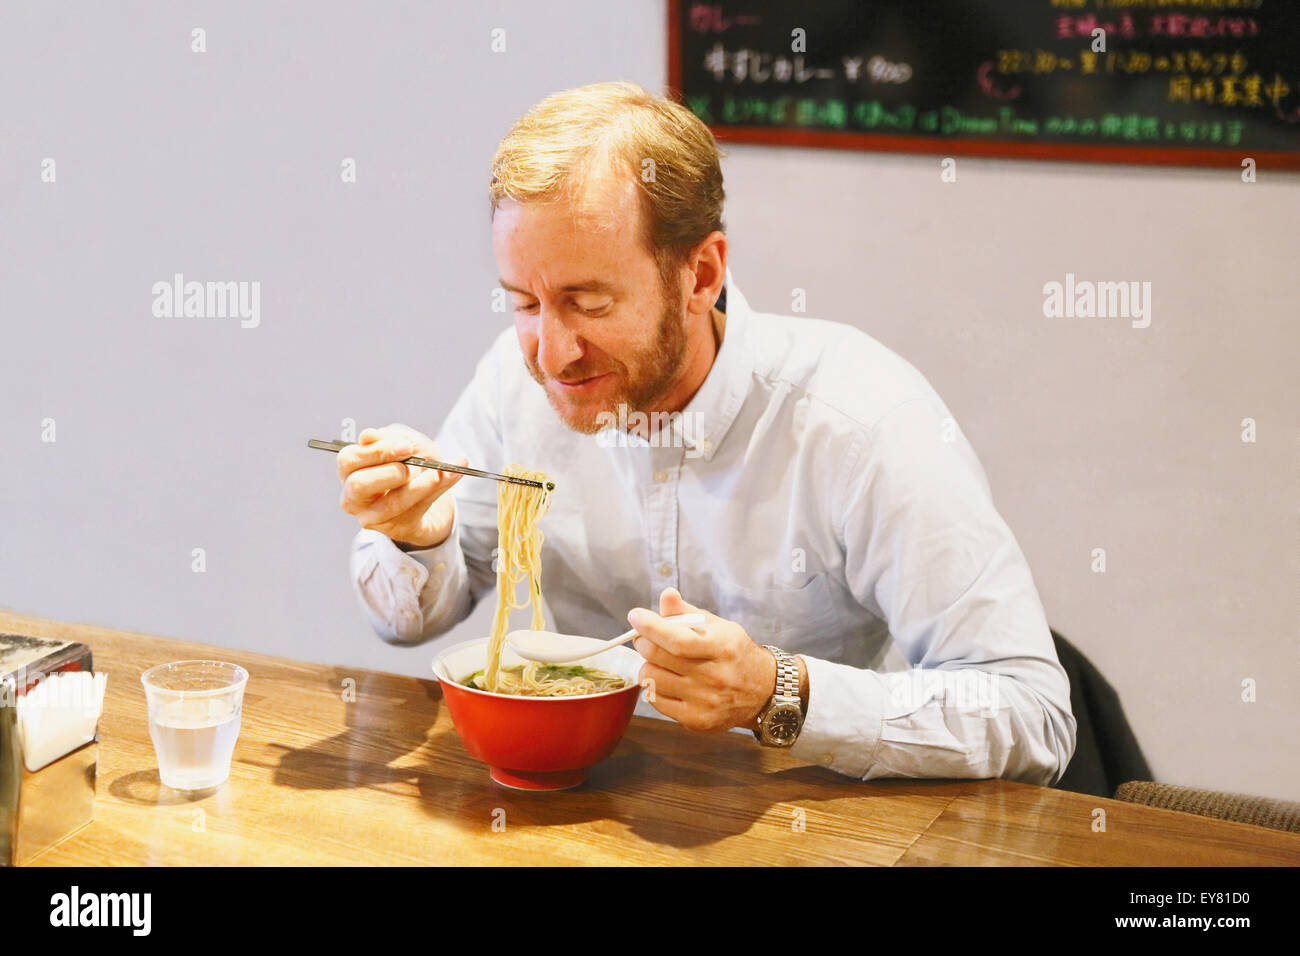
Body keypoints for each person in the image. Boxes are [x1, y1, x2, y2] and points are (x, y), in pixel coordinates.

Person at [337, 81, 1076, 784]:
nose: (553, 353)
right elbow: (409, 623)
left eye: (588, 302)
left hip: (796, 823)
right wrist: (415, 536)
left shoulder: (859, 421)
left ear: (702, 274)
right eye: (524, 303)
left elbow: (1032, 715)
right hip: (573, 808)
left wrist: (775, 690)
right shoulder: (515, 378)